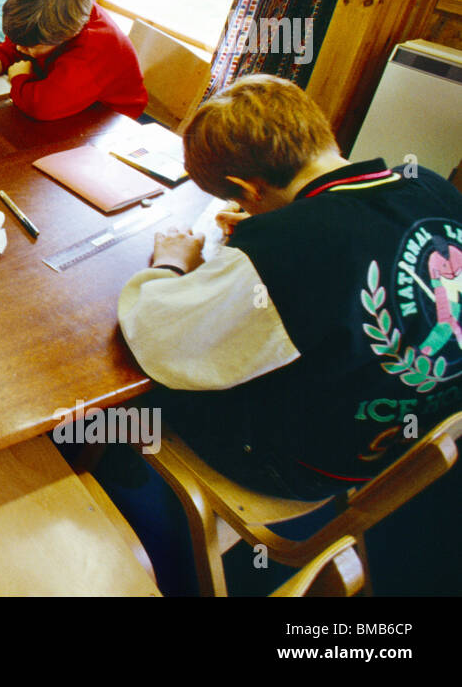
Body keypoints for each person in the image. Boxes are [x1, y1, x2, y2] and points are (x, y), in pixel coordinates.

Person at [117, 74, 462, 499]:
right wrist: (280, 223)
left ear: (248, 189)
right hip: (408, 438)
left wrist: (172, 261)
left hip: (303, 466)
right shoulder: (431, 184)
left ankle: (120, 478)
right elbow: (359, 245)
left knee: (142, 387)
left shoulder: (286, 244)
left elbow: (157, 337)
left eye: (242, 201)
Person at [0, 0, 147, 120]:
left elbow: (42, 107)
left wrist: (19, 77)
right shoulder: (61, 13)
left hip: (107, 117)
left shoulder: (90, 51)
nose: (18, 48)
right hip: (68, 91)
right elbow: (23, 37)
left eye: (28, 46)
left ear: (62, 37)